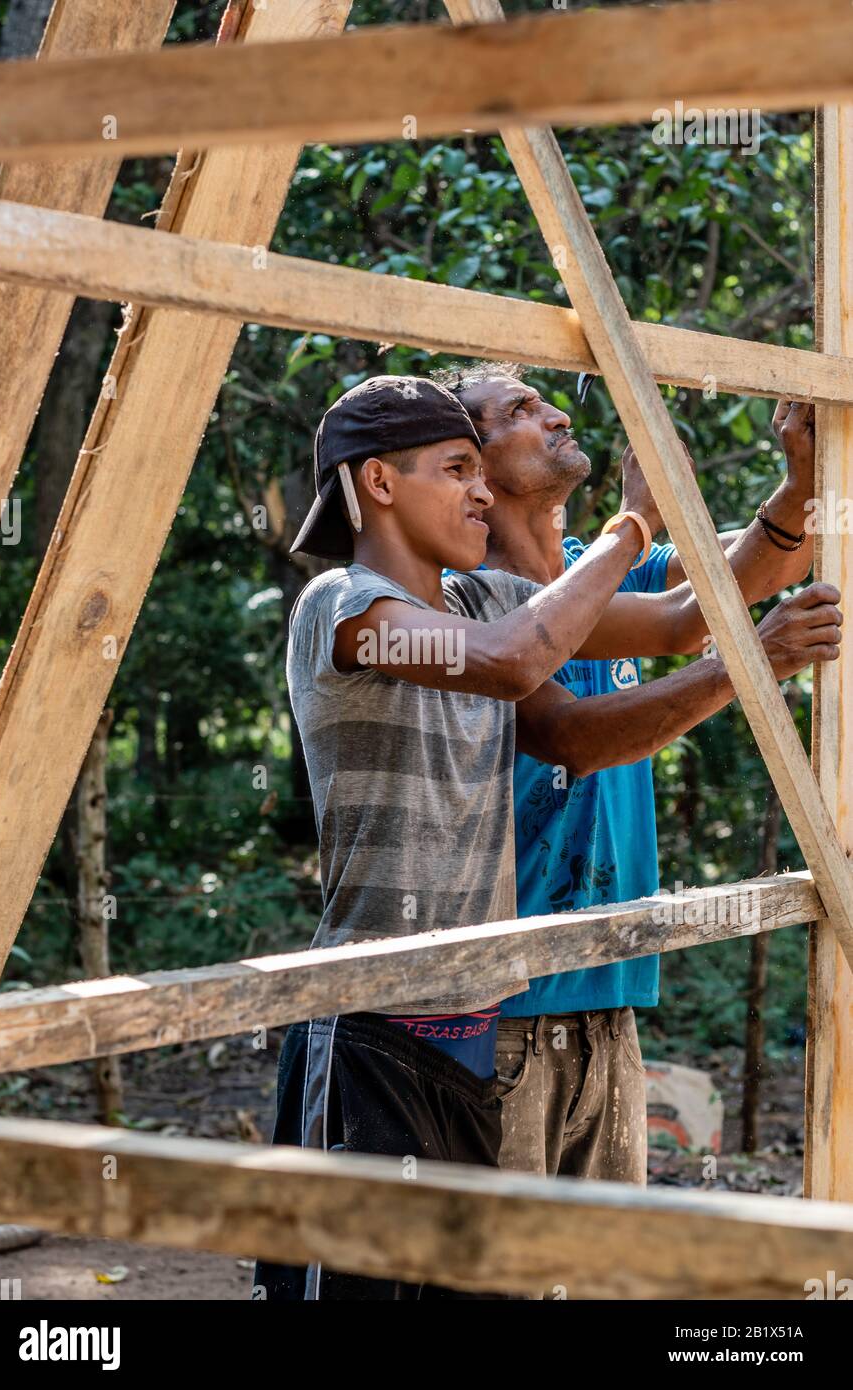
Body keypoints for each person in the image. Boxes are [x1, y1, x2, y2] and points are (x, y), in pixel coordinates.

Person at [253, 373, 838, 1300]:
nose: (480, 488)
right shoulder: (342, 603)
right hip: (371, 1024)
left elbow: (685, 619)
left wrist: (797, 493)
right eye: (457, 468)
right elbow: (521, 663)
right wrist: (633, 527)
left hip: (468, 1030)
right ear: (378, 483)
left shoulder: (486, 601)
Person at [435, 360, 825, 1190]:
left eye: (546, 400)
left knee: (603, 1270)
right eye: (520, 410)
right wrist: (748, 654)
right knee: (497, 1272)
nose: (555, 416)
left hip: (607, 992)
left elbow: (724, 588)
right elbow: (575, 740)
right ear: (469, 467)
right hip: (498, 1009)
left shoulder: (599, 574)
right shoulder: (464, 601)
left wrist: (799, 489)